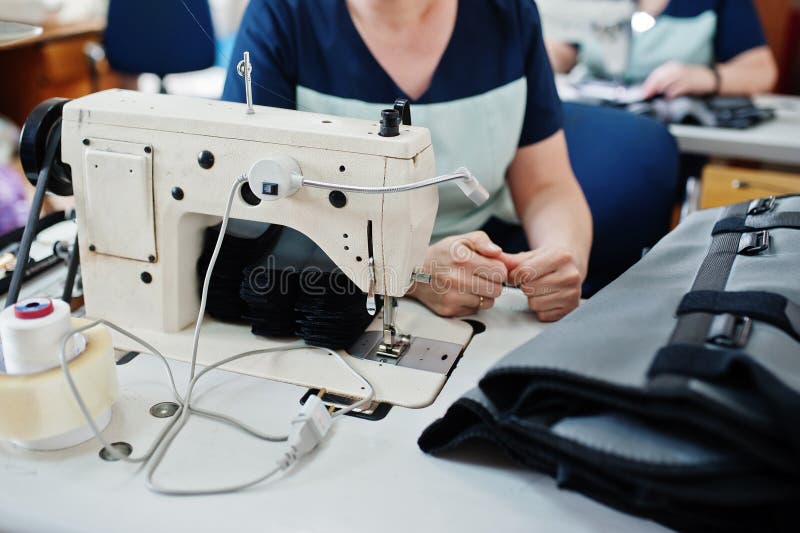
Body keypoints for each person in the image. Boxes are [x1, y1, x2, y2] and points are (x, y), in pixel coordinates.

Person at [222, 0, 592, 322]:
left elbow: (548, 186)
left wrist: (559, 260)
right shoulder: (280, 15)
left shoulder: (509, 12)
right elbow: (253, 214)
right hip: (329, 277)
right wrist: (409, 274)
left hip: (489, 280)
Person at [546, 0, 778, 99]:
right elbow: (563, 49)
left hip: (679, 143)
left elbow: (761, 71)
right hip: (598, 122)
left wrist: (706, 78)